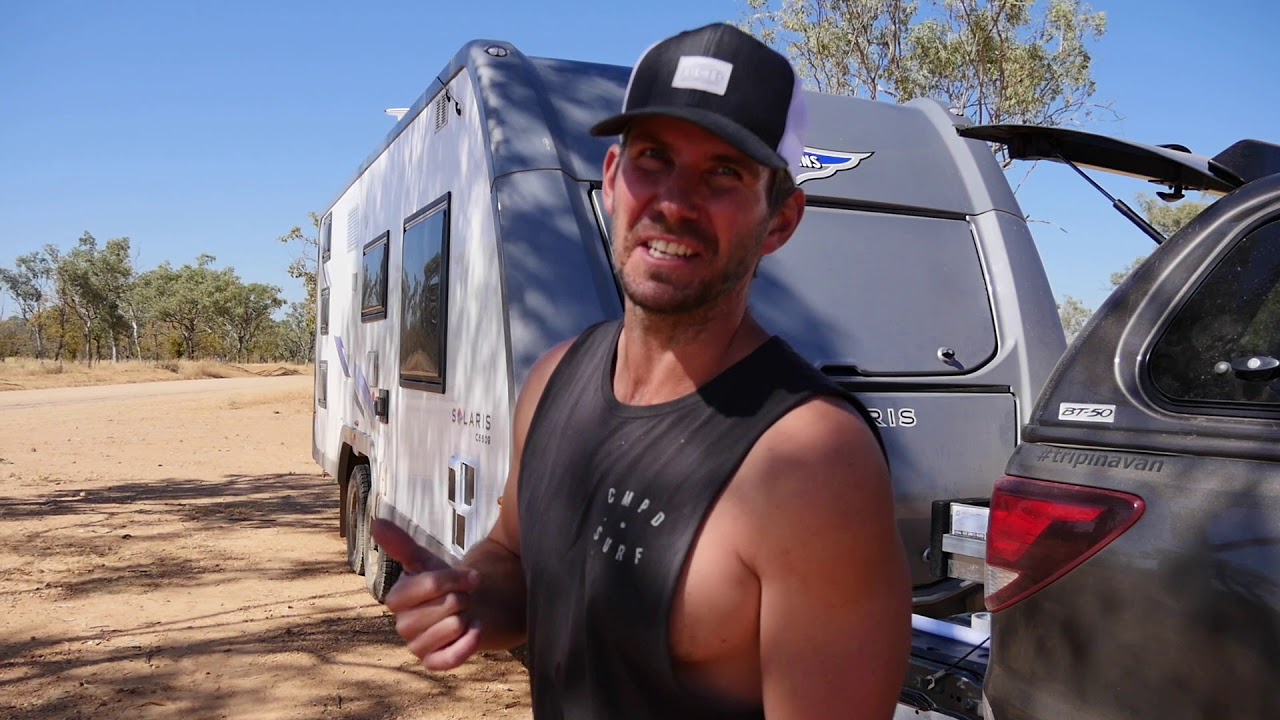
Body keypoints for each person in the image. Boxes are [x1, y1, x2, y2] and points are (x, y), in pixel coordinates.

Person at [372, 22, 912, 720]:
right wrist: (472, 597)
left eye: (724, 172)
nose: (674, 201)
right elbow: (516, 556)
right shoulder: (554, 380)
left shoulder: (813, 461)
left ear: (780, 220)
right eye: (653, 157)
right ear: (611, 178)